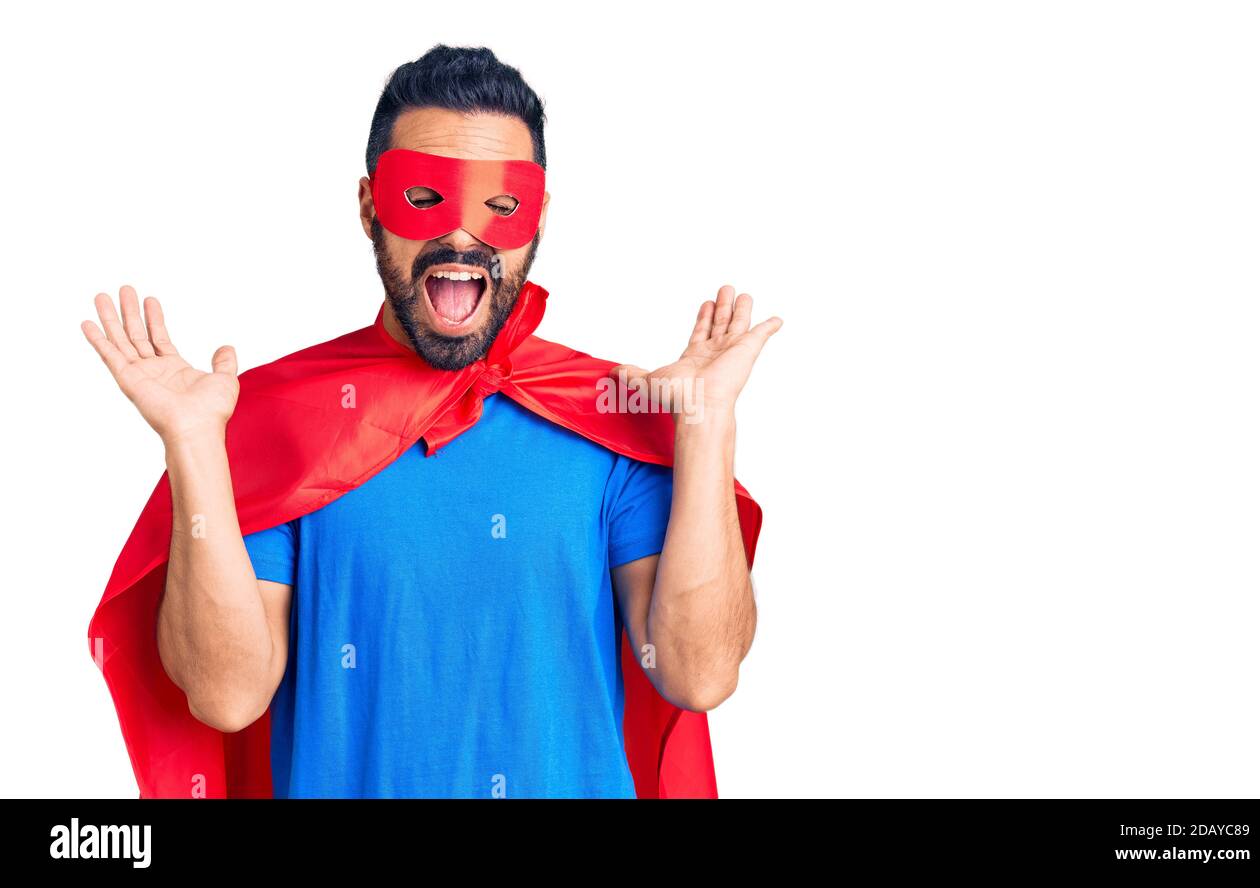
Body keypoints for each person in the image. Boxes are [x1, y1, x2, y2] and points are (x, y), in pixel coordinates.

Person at [82, 44, 780, 799]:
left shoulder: (607, 418)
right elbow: (227, 695)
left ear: (536, 216)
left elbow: (699, 673)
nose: (460, 237)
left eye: (499, 205)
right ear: (367, 206)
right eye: (424, 197)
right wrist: (193, 444)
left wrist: (708, 429)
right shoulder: (281, 424)